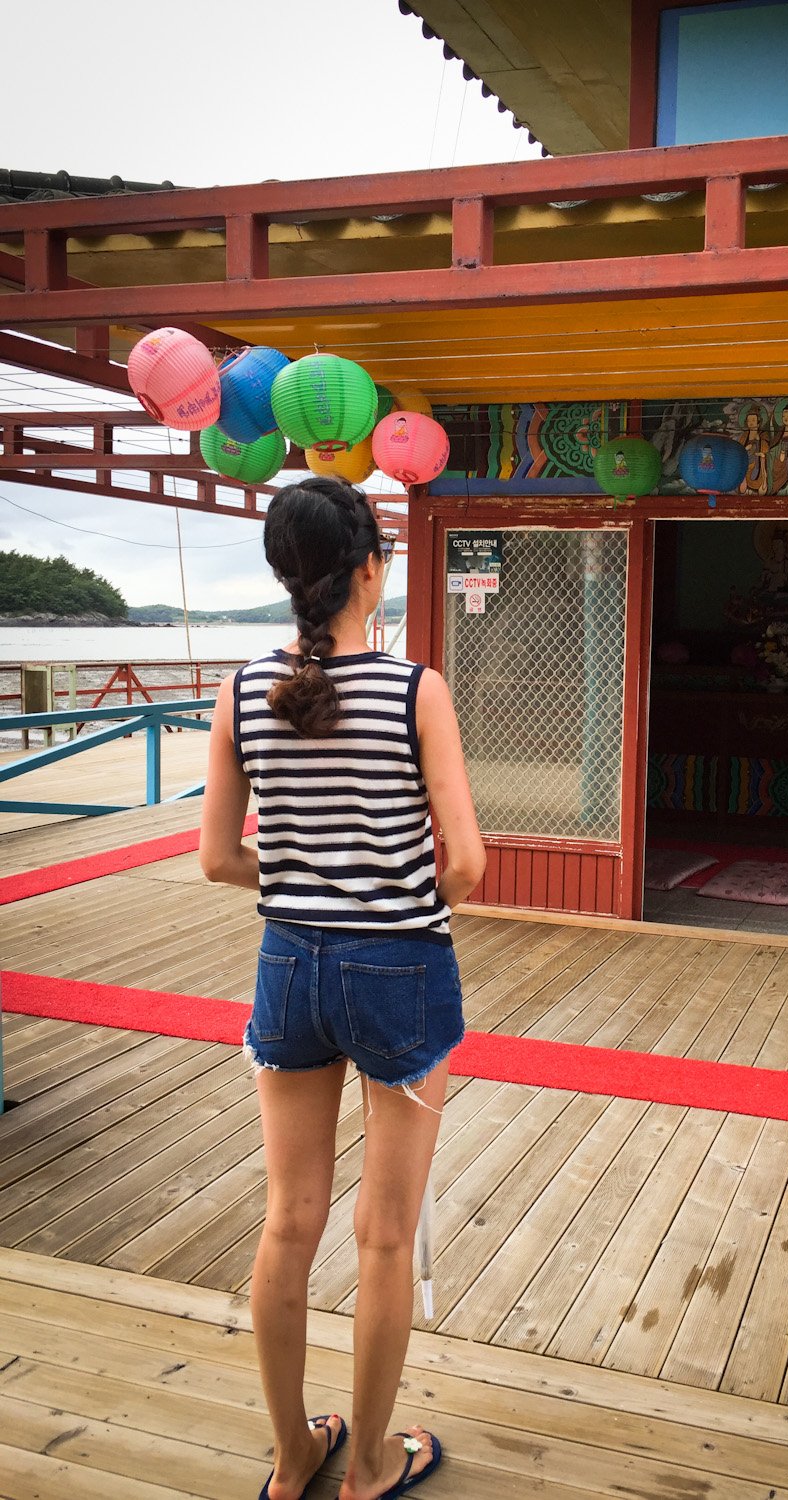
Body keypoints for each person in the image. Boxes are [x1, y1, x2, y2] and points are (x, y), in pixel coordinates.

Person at [199, 476, 486, 1500]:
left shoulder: (240, 692)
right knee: (385, 1232)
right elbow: (466, 865)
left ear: (289, 577)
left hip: (288, 965)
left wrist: (298, 877)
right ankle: (366, 1466)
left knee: (289, 1222)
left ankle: (291, 1460)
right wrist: (399, 886)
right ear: (372, 567)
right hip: (401, 965)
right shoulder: (416, 690)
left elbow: (218, 860)